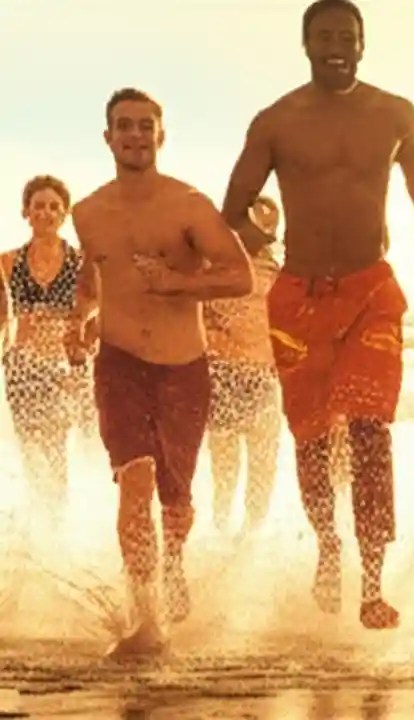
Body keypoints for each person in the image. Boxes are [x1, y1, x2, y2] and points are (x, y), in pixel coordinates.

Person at [220, 0, 414, 630]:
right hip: (298, 296)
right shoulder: (276, 121)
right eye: (324, 37)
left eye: (347, 36)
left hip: (371, 290)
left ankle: (372, 581)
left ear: (362, 45)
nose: (336, 46)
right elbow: (232, 209)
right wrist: (262, 239)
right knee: (313, 437)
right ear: (306, 45)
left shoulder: (395, 112)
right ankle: (327, 545)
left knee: (371, 429)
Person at [65, 87, 254, 658]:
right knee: (135, 479)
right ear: (108, 138)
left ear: (161, 136)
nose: (135, 135)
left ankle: (172, 563)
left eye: (146, 126)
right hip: (119, 361)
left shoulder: (189, 205)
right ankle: (144, 617)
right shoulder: (87, 212)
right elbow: (94, 278)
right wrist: (81, 319)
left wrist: (177, 283)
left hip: (182, 366)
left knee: (176, 501)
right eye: (124, 126)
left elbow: (240, 275)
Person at [0, 175, 90, 522]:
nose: (46, 213)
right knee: (29, 447)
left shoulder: (80, 262)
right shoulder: (8, 262)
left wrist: (84, 353)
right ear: (26, 212)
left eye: (54, 207)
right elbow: (3, 318)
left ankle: (58, 521)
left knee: (56, 445)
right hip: (21, 366)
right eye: (38, 206)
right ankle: (37, 519)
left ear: (65, 213)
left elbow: (95, 311)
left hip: (62, 366)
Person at [204, 195, 283, 535]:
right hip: (223, 372)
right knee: (225, 467)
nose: (261, 235)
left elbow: (286, 324)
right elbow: (198, 317)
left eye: (268, 229)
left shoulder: (275, 271)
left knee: (263, 463)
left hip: (263, 372)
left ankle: (250, 537)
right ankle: (220, 530)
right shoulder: (213, 267)